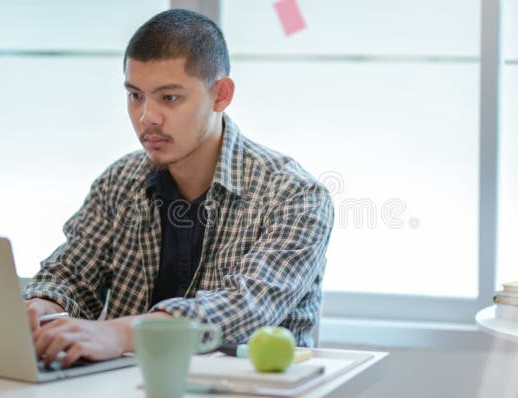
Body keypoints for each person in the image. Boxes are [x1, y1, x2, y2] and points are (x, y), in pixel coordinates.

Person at [22, 9, 334, 368]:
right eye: (135, 95)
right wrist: (44, 307)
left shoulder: (295, 195)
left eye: (169, 98)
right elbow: (72, 275)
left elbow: (247, 307)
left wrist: (118, 334)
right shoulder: (119, 181)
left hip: (239, 389)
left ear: (221, 95)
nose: (147, 117)